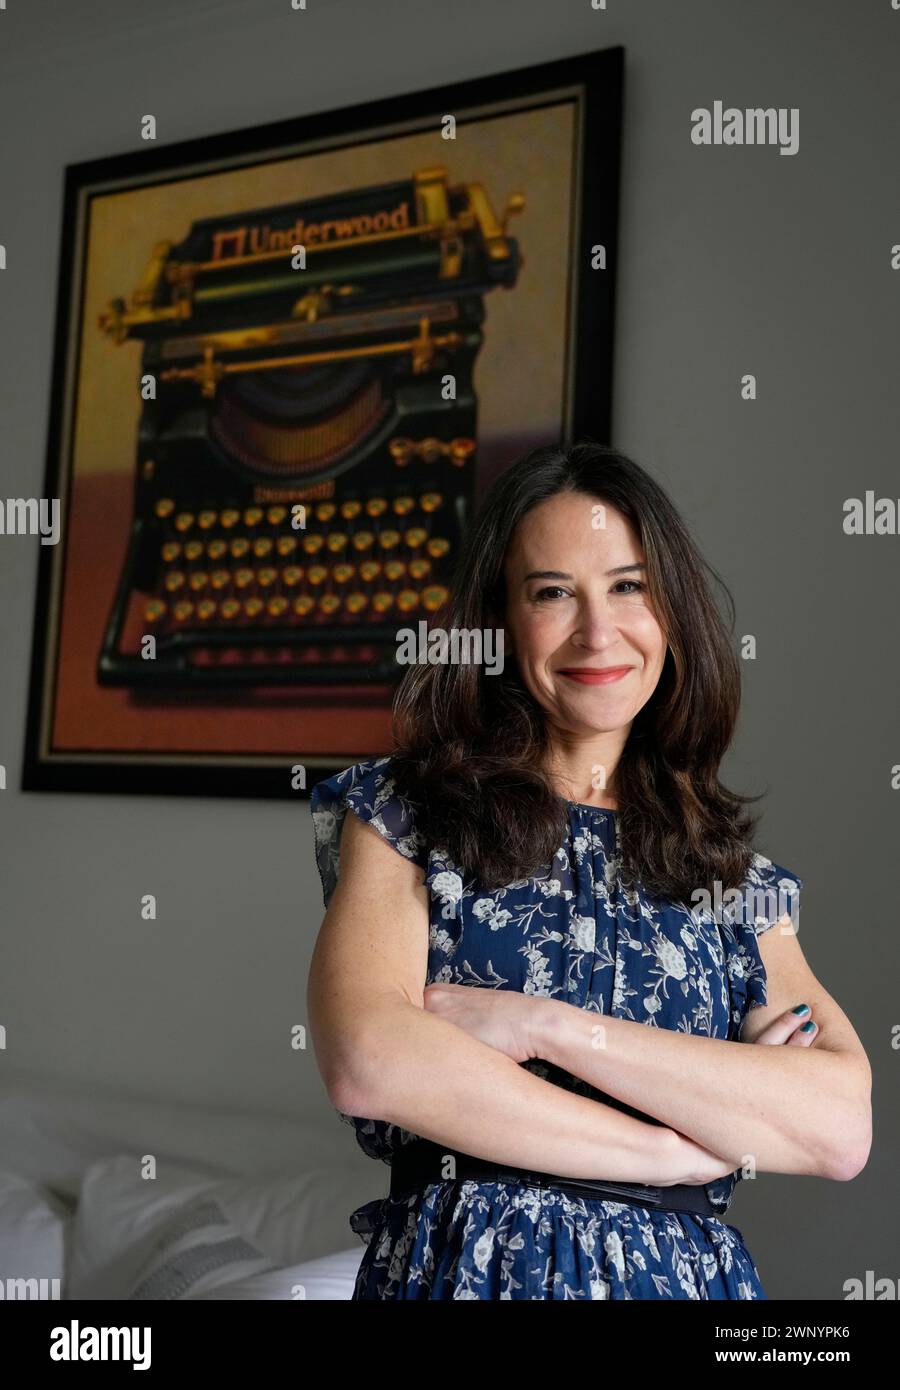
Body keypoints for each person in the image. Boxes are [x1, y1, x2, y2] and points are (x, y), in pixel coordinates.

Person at [307, 442, 872, 1300]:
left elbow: (835, 1125)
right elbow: (370, 1058)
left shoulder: (729, 873)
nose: (597, 632)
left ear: (672, 611)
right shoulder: (407, 814)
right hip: (473, 1275)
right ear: (499, 622)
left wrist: (541, 1028)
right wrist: (670, 1148)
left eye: (628, 586)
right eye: (552, 593)